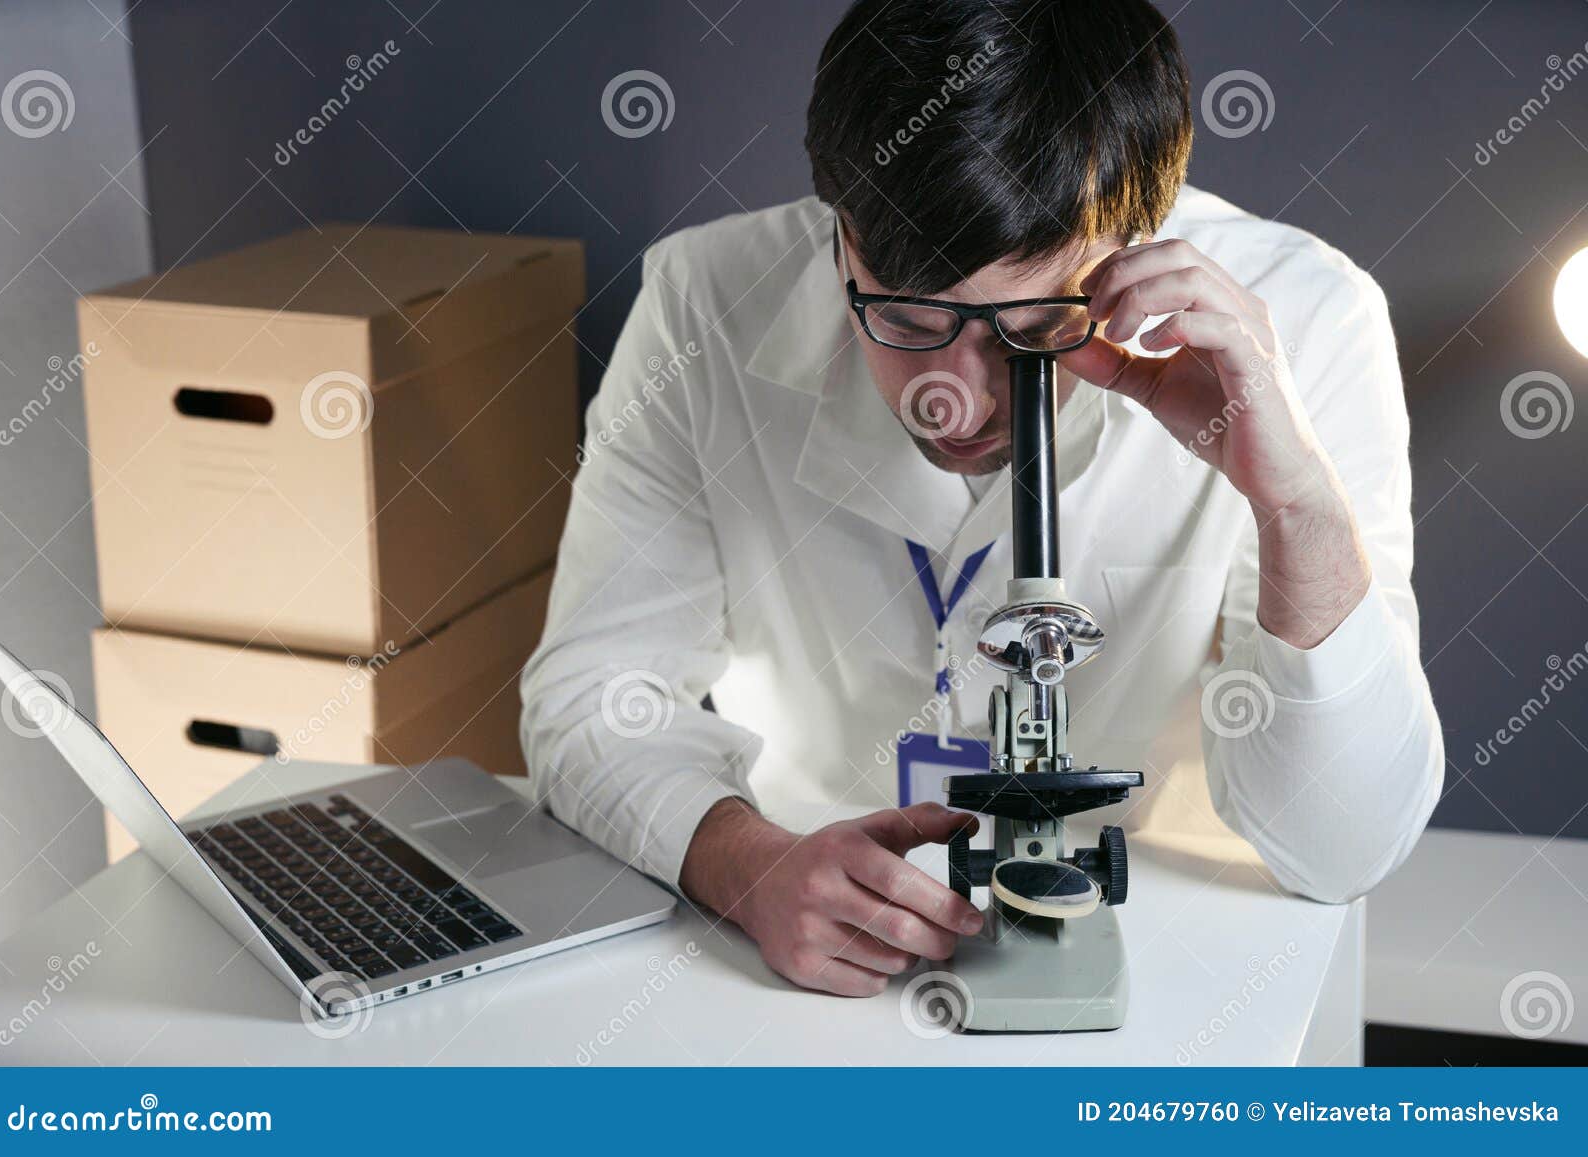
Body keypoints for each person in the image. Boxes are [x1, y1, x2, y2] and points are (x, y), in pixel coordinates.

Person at [521, 0, 1442, 997]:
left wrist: (1294, 504)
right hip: (798, 941)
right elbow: (591, 693)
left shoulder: (1306, 317)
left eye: (1036, 322)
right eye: (910, 317)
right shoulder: (706, 297)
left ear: (1137, 242)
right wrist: (742, 861)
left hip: (1174, 938)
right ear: (840, 231)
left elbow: (1345, 846)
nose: (956, 390)